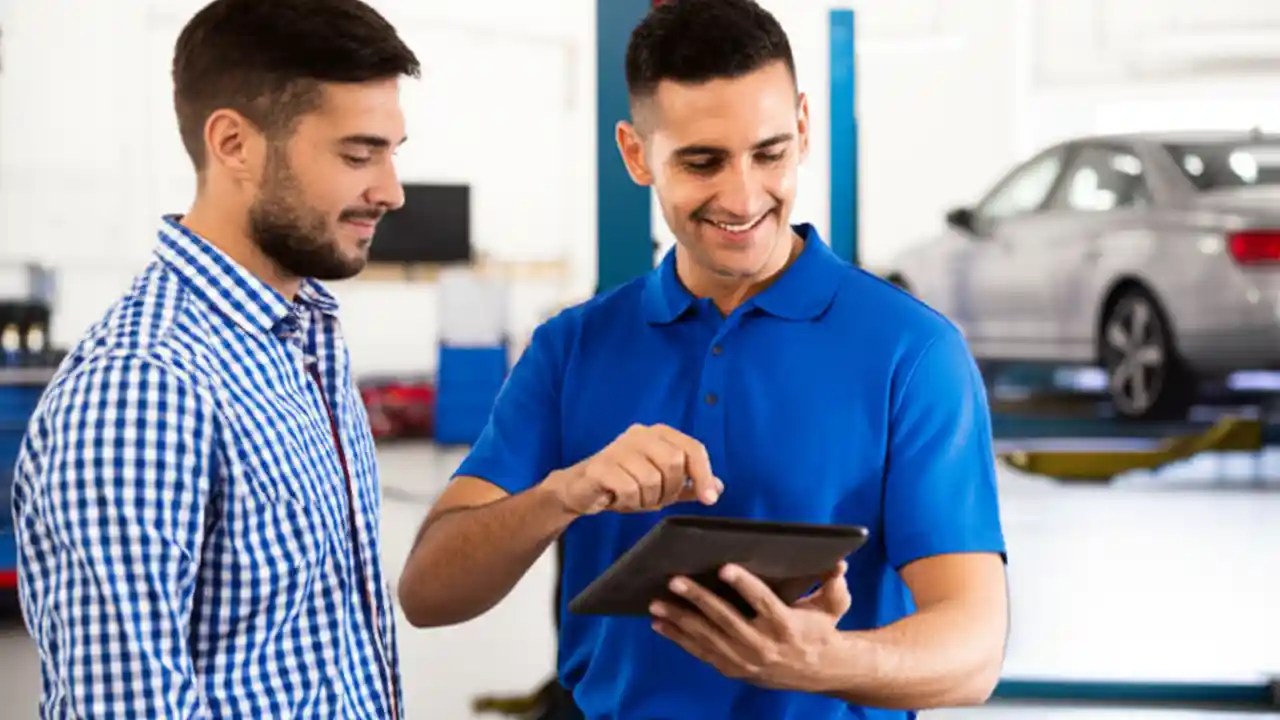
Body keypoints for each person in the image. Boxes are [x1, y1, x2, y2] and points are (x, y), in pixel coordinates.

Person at [397, 0, 1008, 718]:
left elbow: (973, 651)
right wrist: (565, 493)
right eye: (702, 162)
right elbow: (429, 593)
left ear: (804, 127)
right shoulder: (572, 347)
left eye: (769, 154)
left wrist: (820, 663)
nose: (743, 196)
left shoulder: (913, 352)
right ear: (636, 154)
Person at [10, 1, 418, 717]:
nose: (391, 191)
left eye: (392, 153)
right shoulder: (144, 386)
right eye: (358, 156)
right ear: (234, 144)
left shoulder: (302, 339)